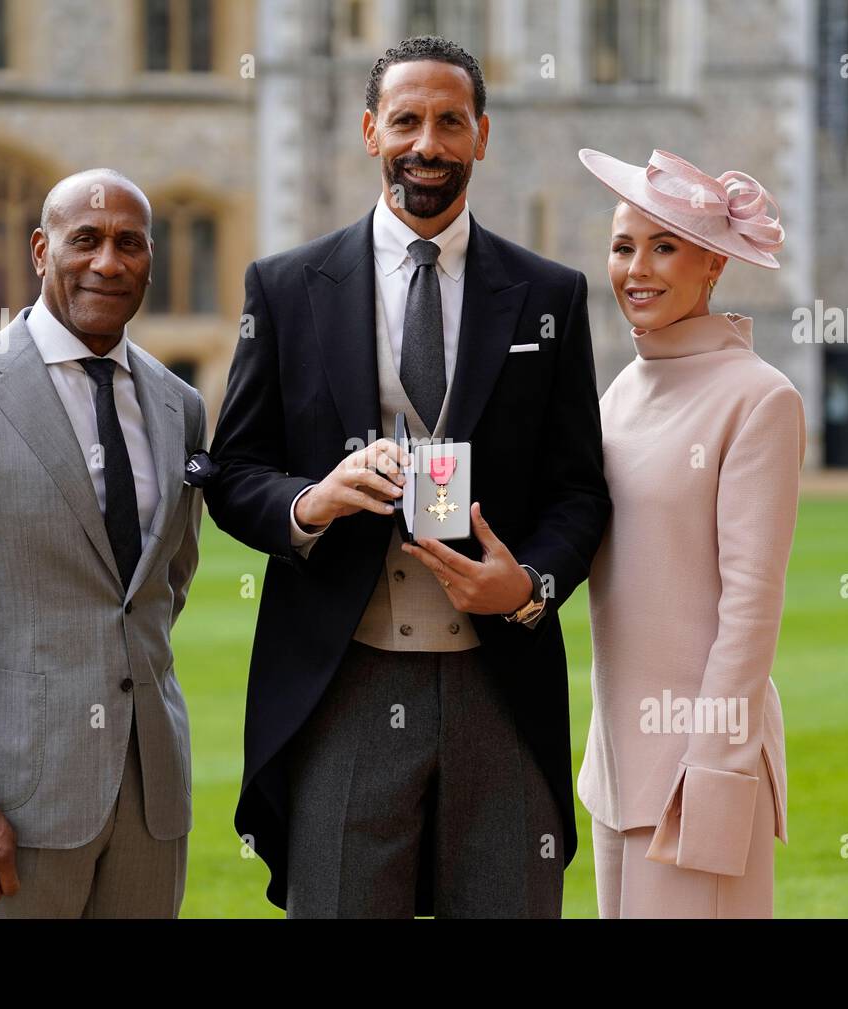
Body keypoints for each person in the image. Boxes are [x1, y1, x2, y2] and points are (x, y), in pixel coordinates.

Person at [204, 37, 610, 918]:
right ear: (369, 131)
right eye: (407, 120)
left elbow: (581, 489)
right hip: (345, 679)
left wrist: (530, 585)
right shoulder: (283, 288)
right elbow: (232, 470)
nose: (427, 143)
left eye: (449, 122)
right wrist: (310, 502)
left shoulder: (551, 295)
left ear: (482, 136)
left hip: (500, 680)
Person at [0, 168, 207, 918]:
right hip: (7, 802)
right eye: (84, 240)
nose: (108, 262)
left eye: (130, 243)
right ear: (40, 249)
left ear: (151, 258)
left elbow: (162, 588)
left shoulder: (180, 406)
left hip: (150, 798)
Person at [576, 148, 805, 918]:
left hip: (696, 775)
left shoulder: (760, 399)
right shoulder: (623, 388)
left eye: (663, 246)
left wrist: (711, 774)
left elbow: (751, 608)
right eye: (623, 245)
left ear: (714, 264)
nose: (637, 268)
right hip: (616, 771)